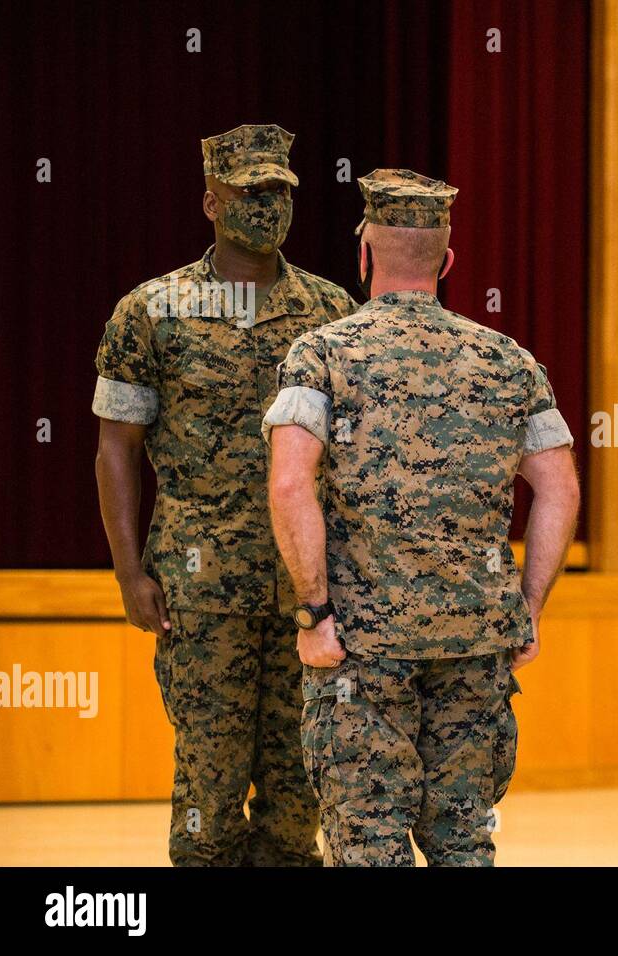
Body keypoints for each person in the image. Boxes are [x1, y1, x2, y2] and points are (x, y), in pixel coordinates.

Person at [263, 169, 580, 866]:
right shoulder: (510, 360)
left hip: (360, 646)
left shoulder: (321, 354)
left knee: (368, 842)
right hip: (476, 639)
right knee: (464, 840)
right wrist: (527, 608)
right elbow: (560, 491)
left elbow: (290, 484)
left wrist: (314, 614)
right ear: (447, 261)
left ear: (364, 255)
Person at [92, 124, 356, 866]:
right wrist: (127, 570)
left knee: (299, 790)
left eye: (280, 191)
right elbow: (117, 448)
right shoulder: (150, 310)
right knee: (208, 792)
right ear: (211, 199)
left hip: (303, 588)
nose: (267, 205)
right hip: (198, 593)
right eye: (249, 191)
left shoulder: (333, 311)